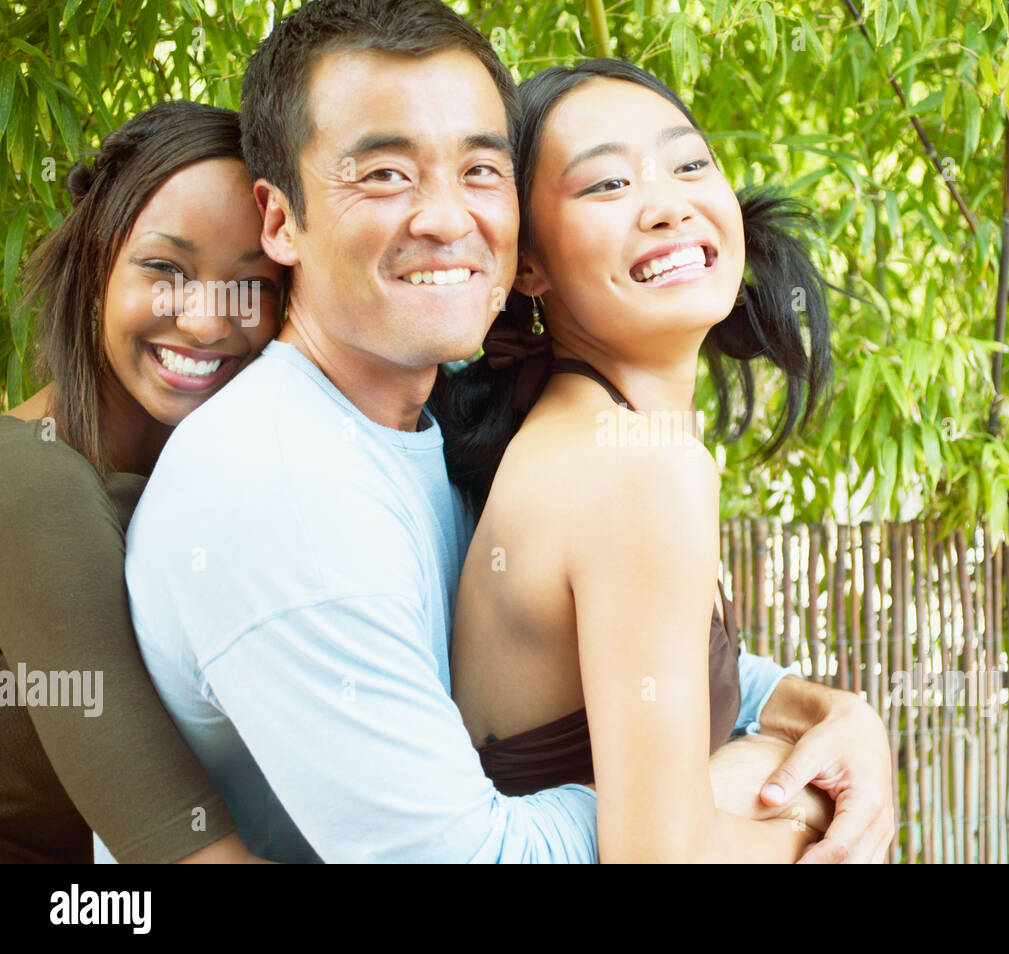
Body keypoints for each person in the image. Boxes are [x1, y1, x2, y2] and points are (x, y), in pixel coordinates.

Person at [121, 0, 892, 864]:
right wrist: (760, 791)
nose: (447, 219)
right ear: (281, 221)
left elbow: (618, 649)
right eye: (384, 175)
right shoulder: (276, 487)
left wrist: (812, 710)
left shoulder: (439, 430)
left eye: (481, 172)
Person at [438, 59, 838, 862]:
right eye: (607, 185)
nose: (667, 204)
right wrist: (807, 812)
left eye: (690, 164)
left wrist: (820, 723)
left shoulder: (595, 433)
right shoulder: (638, 470)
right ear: (529, 266)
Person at [0, 101, 282, 863]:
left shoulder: (199, 479)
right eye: (165, 269)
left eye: (250, 284)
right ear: (96, 268)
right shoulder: (34, 486)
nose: (203, 322)